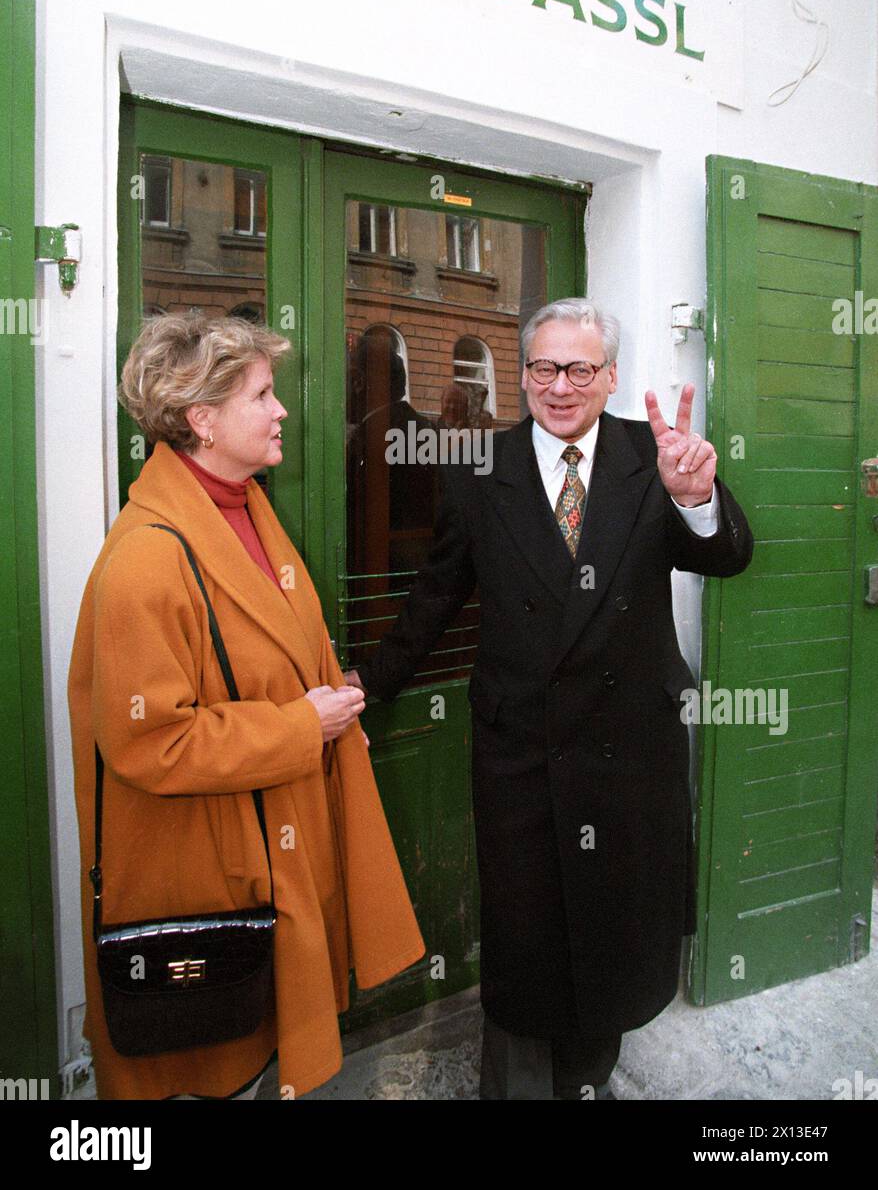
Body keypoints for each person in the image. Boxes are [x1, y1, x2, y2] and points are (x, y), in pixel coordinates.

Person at [345, 297, 753, 1100]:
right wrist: (371, 679)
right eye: (542, 367)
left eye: (579, 369)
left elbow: (729, 557)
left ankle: (586, 1079)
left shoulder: (658, 456)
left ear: (609, 377)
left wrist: (694, 499)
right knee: (529, 936)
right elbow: (436, 597)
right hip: (521, 753)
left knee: (609, 931)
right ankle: (523, 1085)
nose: (559, 387)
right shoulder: (478, 471)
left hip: (629, 751)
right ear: (524, 372)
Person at [68, 312, 424, 1100]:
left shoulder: (244, 507)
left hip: (274, 839)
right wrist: (306, 725)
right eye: (263, 394)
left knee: (269, 1060)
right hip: (217, 868)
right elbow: (149, 744)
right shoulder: (144, 560)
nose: (282, 409)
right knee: (220, 1068)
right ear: (202, 419)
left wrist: (334, 702)